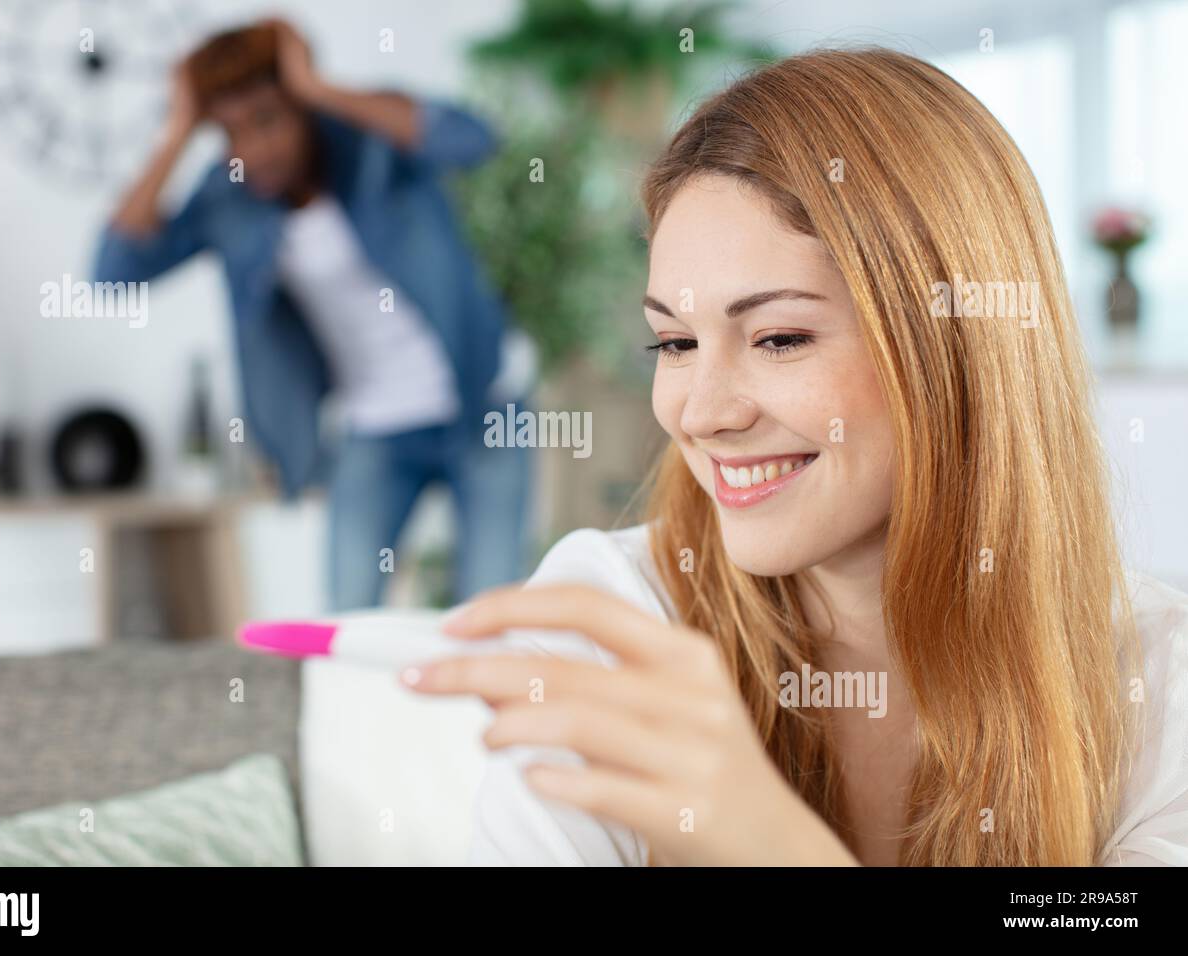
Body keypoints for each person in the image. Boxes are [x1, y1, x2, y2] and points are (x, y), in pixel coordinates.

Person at [404, 48, 1188, 866]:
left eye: (780, 338)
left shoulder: (1158, 680)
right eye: (674, 341)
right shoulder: (616, 624)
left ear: (957, 349)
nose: (701, 414)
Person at [95, 19, 532, 610]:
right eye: (230, 131)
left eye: (268, 119)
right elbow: (114, 270)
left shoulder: (372, 141)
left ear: (302, 105)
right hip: (374, 427)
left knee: (494, 618)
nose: (254, 148)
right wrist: (177, 132)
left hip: (483, 408)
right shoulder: (231, 196)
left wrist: (321, 89)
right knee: (346, 623)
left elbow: (474, 139)